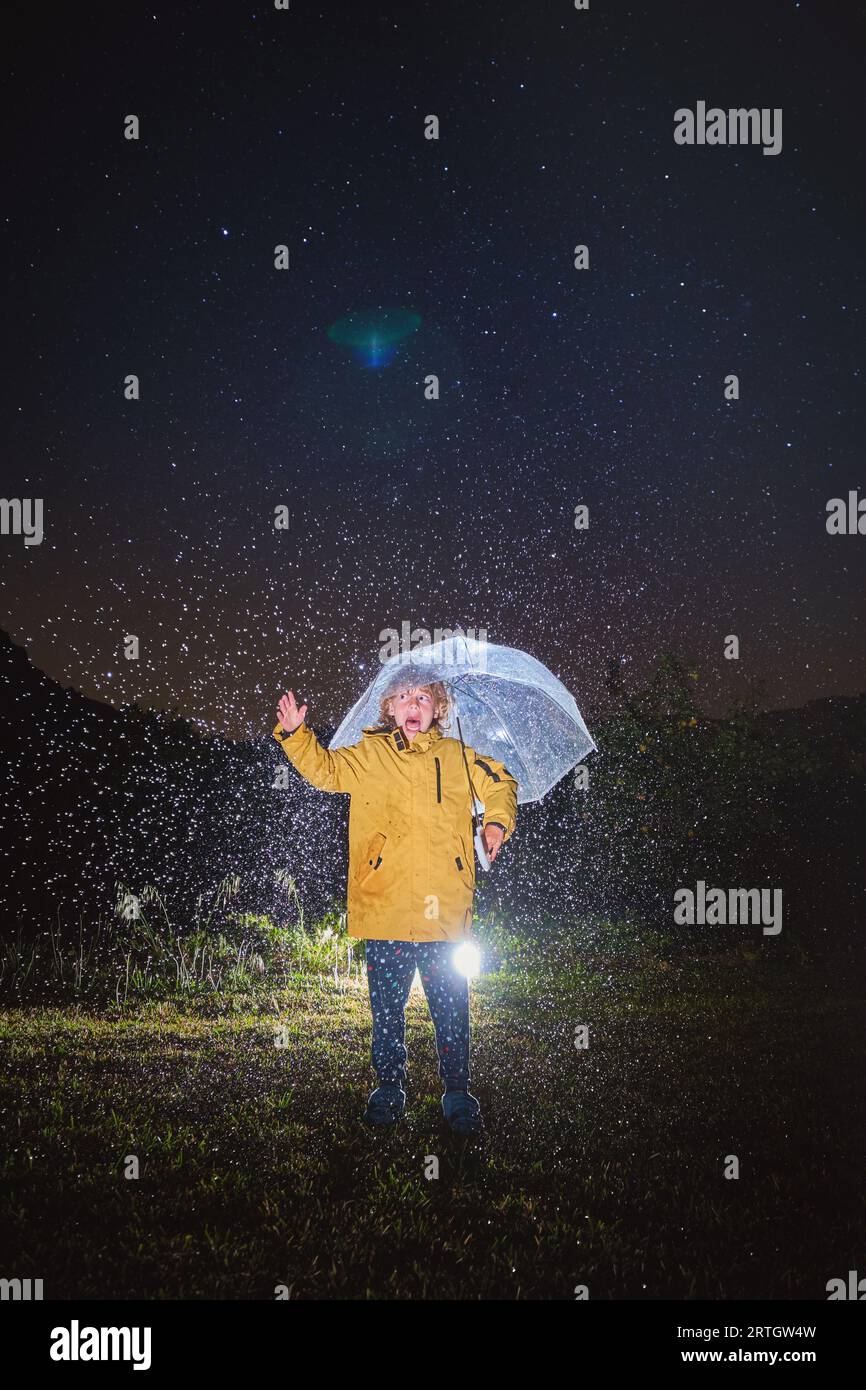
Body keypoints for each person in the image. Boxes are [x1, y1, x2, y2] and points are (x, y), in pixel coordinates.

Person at [273, 677, 517, 1136]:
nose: (413, 704)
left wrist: (495, 824)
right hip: (385, 907)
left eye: (424, 697)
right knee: (386, 1010)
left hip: (445, 913)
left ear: (437, 709)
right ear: (389, 707)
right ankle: (388, 1088)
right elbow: (325, 770)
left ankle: (458, 1093)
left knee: (451, 1009)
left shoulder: (459, 755)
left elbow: (502, 782)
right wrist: (296, 734)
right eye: (404, 696)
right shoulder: (370, 754)